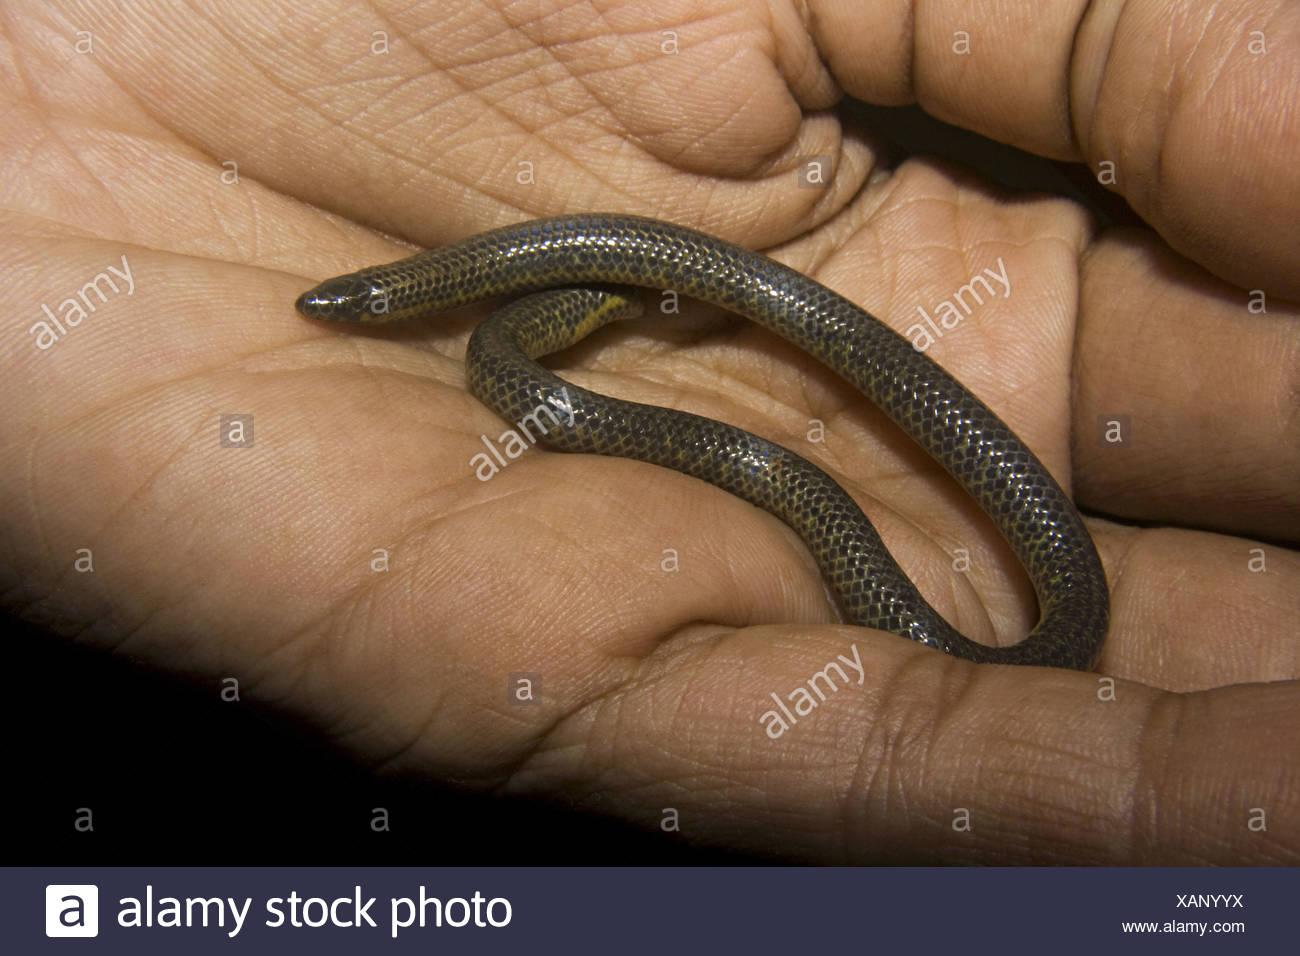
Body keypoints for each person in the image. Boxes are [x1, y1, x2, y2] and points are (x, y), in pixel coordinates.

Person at [3, 1, 1295, 862]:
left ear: (395, 300)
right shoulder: (505, 335)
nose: (338, 311)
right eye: (352, 307)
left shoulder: (504, 322)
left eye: (354, 305)